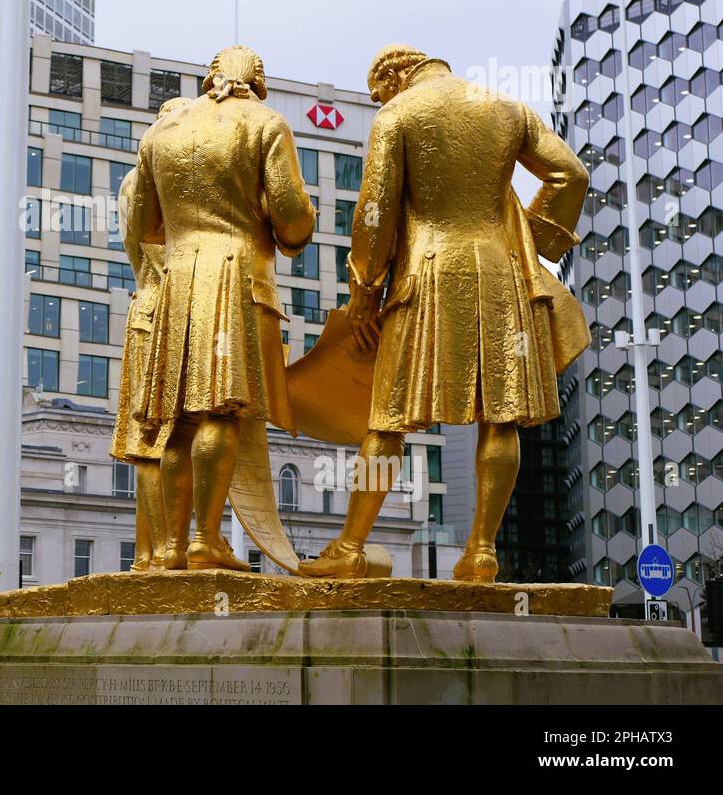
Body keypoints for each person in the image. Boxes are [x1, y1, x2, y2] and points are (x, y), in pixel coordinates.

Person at [298, 45, 588, 582]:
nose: (382, 99)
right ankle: (481, 551)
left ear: (394, 74)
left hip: (424, 275)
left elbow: (377, 211)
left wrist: (364, 293)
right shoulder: (508, 108)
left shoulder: (400, 114)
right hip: (502, 275)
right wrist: (536, 240)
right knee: (500, 417)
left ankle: (350, 547)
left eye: (380, 91)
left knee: (387, 419)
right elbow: (571, 175)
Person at [125, 45, 315, 570]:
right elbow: (293, 220)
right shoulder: (265, 123)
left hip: (177, 282)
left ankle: (169, 549)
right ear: (257, 80)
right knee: (220, 410)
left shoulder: (161, 132)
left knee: (177, 423)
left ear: (211, 77)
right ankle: (207, 539)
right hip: (236, 279)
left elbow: (144, 226)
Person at [109, 98, 189, 570]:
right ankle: (161, 552)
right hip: (168, 314)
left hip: (147, 311)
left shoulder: (138, 181)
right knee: (162, 442)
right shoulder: (156, 180)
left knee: (150, 446)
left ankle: (151, 553)